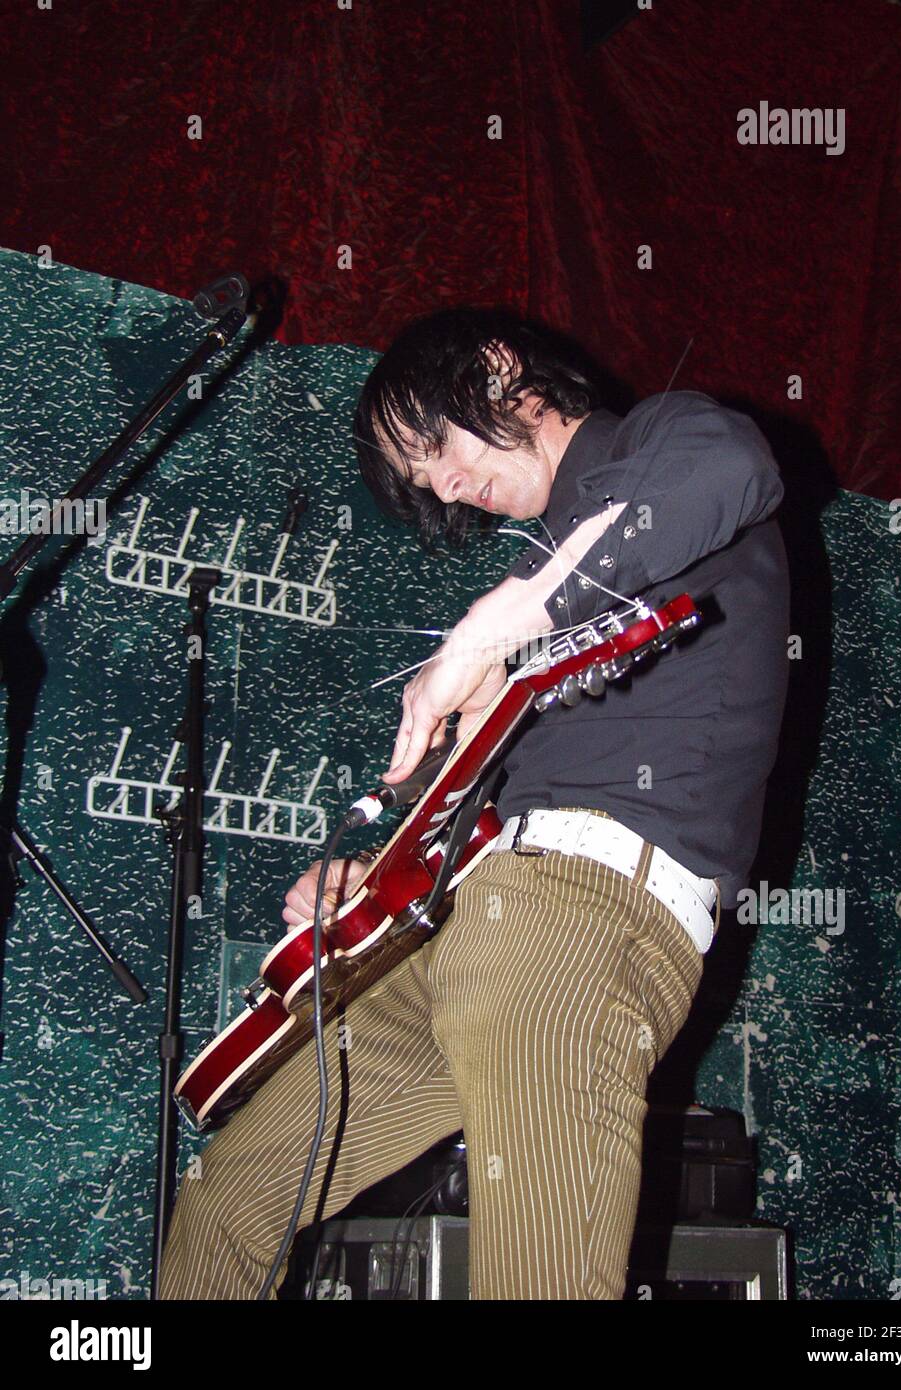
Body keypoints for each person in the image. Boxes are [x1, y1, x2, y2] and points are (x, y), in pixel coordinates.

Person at [160, 307, 789, 1300]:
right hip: (455, 925)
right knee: (225, 1203)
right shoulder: (532, 570)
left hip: (580, 912)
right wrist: (378, 869)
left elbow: (732, 465)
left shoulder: (657, 443)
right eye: (423, 484)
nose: (445, 486)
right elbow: (479, 797)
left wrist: (509, 617)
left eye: (434, 448)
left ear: (495, 369)